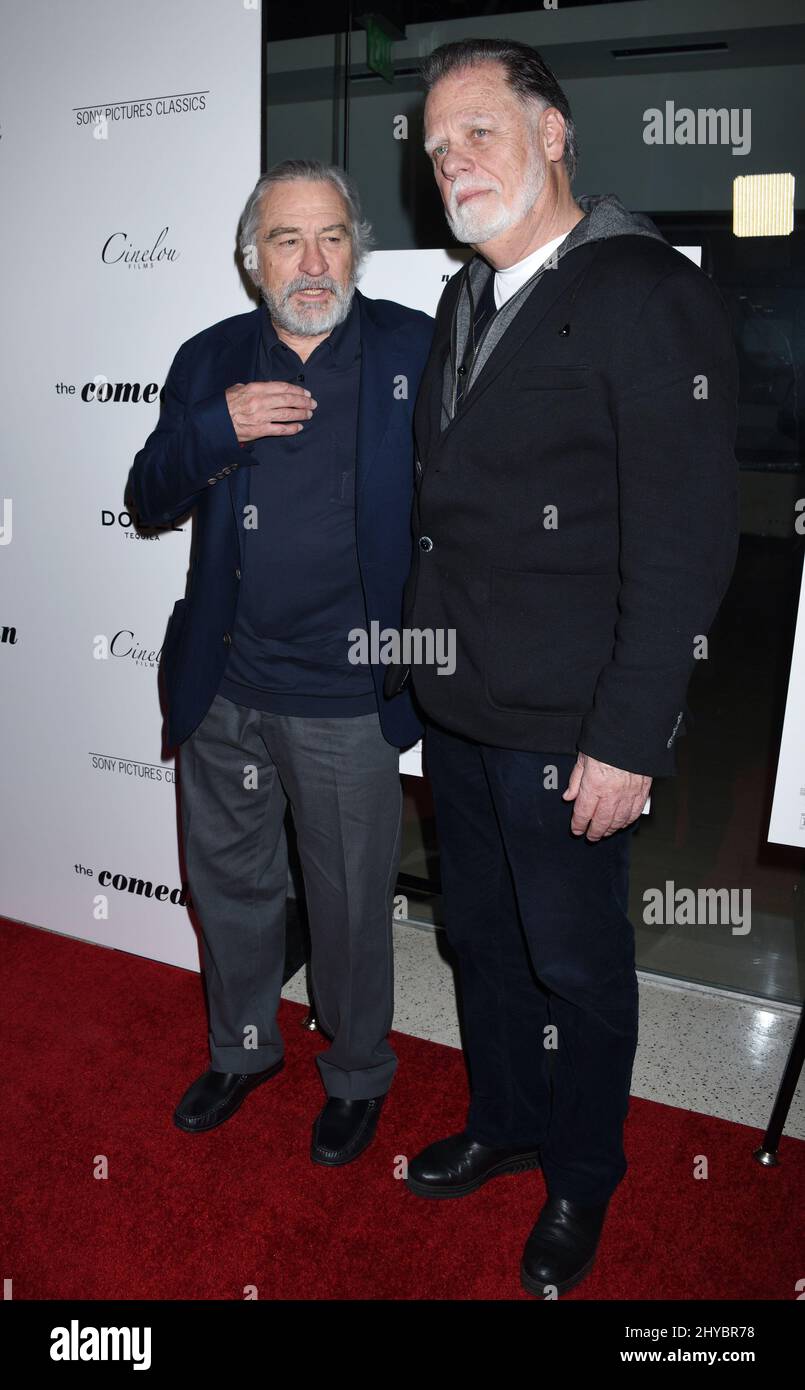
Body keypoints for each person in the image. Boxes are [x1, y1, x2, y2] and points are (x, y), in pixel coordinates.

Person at [385, 38, 739, 1296]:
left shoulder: (646, 293)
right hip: (467, 707)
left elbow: (687, 543)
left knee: (577, 963)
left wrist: (630, 737)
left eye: (475, 131)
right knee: (480, 941)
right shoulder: (463, 298)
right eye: (434, 151)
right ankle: (507, 1116)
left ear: (552, 134)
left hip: (574, 721)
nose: (451, 164)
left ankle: (584, 1172)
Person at [127, 160, 432, 1166]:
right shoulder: (208, 357)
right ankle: (244, 1048)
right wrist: (218, 429)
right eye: (286, 241)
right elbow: (147, 493)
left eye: (331, 236)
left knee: (347, 900)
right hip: (224, 684)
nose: (311, 261)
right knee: (231, 885)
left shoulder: (411, 351)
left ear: (357, 246)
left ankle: (354, 1072)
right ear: (251, 260)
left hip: (346, 692)